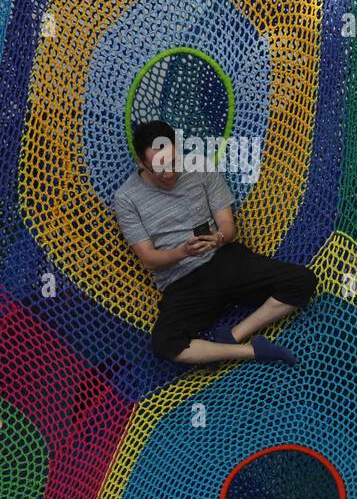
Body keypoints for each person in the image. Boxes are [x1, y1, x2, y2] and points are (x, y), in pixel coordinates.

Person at [113, 120, 316, 364]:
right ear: (141, 163)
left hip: (223, 260)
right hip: (181, 281)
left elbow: (228, 228)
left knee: (302, 281)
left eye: (173, 162)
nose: (169, 172)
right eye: (158, 168)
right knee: (164, 344)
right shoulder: (126, 198)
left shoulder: (200, 167)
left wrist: (217, 238)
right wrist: (182, 251)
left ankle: (233, 334)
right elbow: (149, 259)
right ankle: (252, 351)